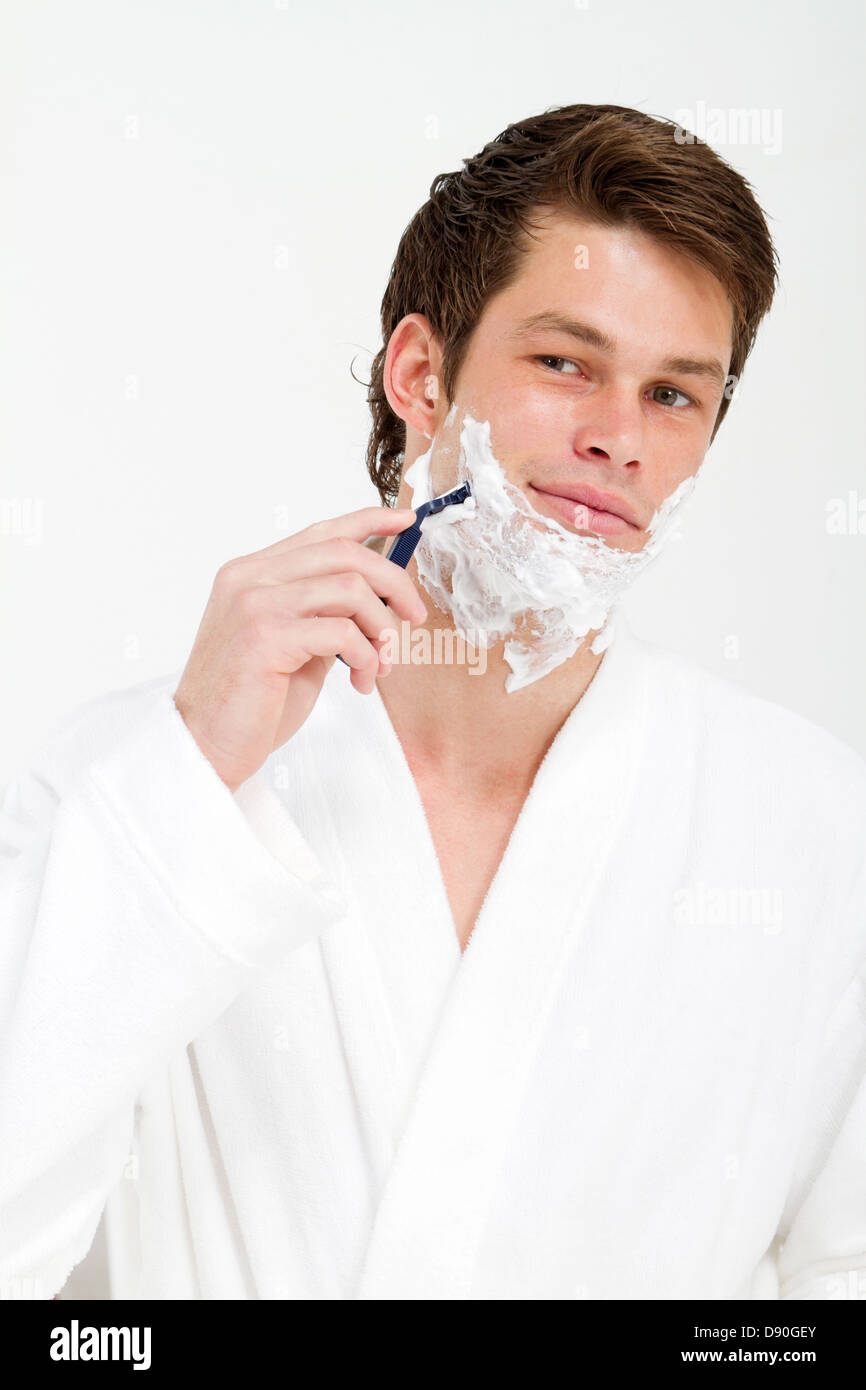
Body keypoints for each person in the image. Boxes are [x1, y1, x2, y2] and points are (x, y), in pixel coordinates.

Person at [2, 103, 865, 1302]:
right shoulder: (143, 784)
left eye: (674, 394)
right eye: (564, 362)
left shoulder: (810, 829)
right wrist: (185, 778)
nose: (619, 436)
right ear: (421, 374)